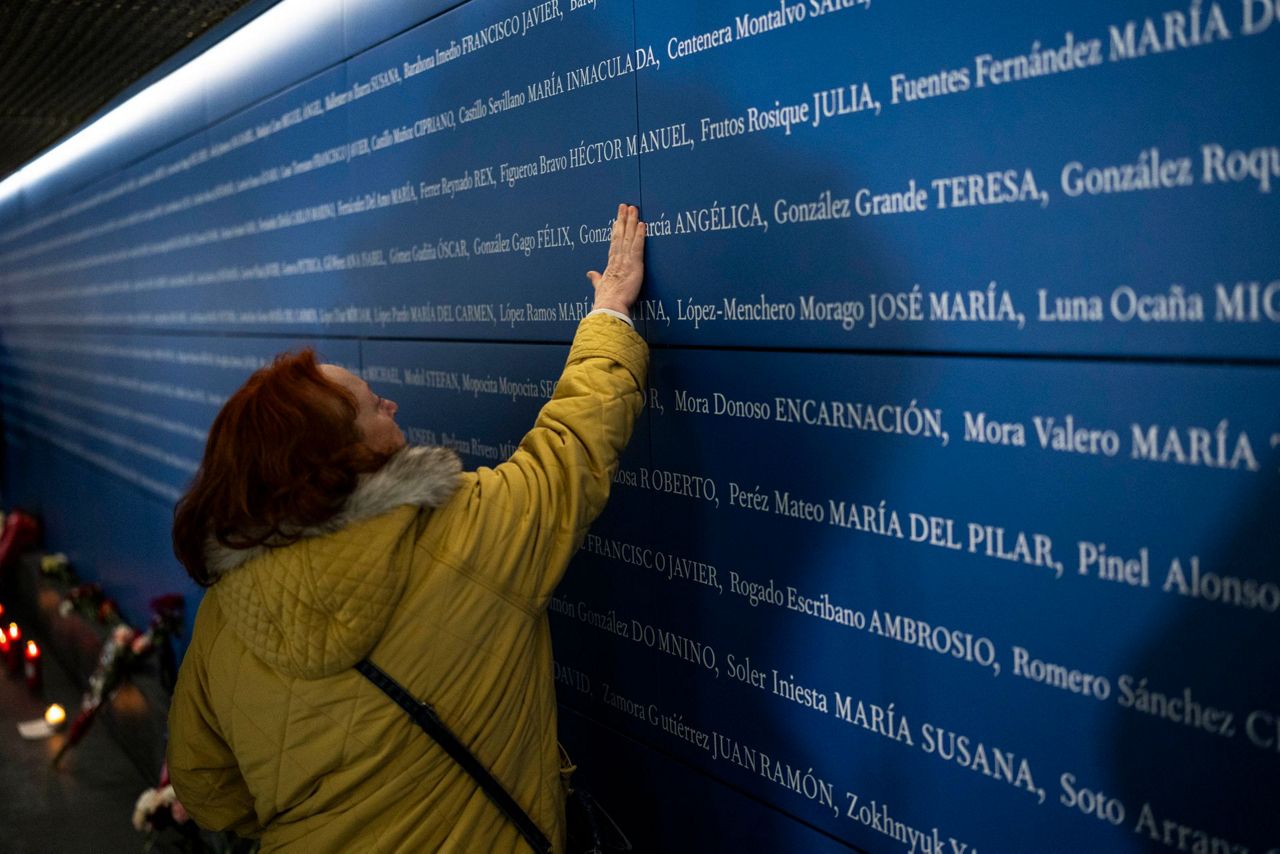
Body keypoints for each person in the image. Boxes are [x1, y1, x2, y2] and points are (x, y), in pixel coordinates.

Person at [167, 204, 649, 851]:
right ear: (345, 459)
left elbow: (206, 788)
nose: (391, 404)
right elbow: (571, 451)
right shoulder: (467, 531)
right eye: (373, 406)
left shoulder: (226, 615)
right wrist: (611, 312)